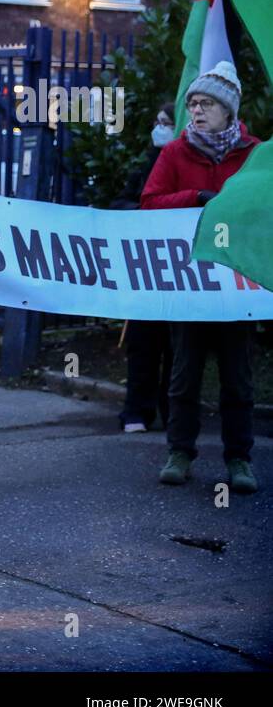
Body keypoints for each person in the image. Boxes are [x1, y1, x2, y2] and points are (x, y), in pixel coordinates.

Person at [141, 61, 260, 494]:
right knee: (184, 374)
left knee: (238, 376)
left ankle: (239, 459)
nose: (196, 110)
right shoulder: (174, 153)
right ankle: (180, 452)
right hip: (189, 283)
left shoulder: (255, 153)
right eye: (192, 103)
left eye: (206, 103)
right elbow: (149, 204)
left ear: (229, 110)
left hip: (235, 283)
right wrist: (195, 198)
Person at [111, 102, 176, 434]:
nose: (159, 128)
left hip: (180, 276)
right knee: (143, 345)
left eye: (166, 122)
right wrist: (141, 212)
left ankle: (172, 412)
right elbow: (120, 203)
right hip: (145, 273)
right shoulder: (146, 164)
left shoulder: (183, 163)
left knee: (178, 348)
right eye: (157, 121)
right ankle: (137, 411)